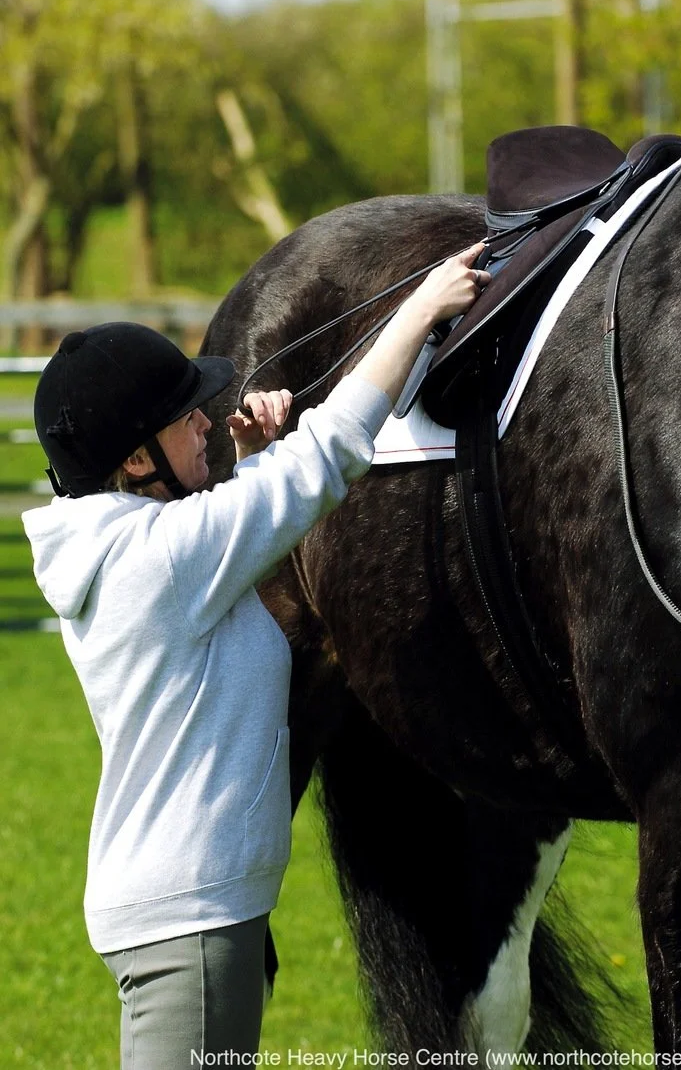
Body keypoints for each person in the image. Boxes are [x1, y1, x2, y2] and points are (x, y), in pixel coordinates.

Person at [22, 244, 491, 1070]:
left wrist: (243, 466)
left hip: (178, 912)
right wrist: (417, 312)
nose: (207, 417)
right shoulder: (163, 563)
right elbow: (329, 453)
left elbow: (218, 547)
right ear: (135, 460)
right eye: (185, 416)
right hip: (190, 926)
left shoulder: (125, 550)